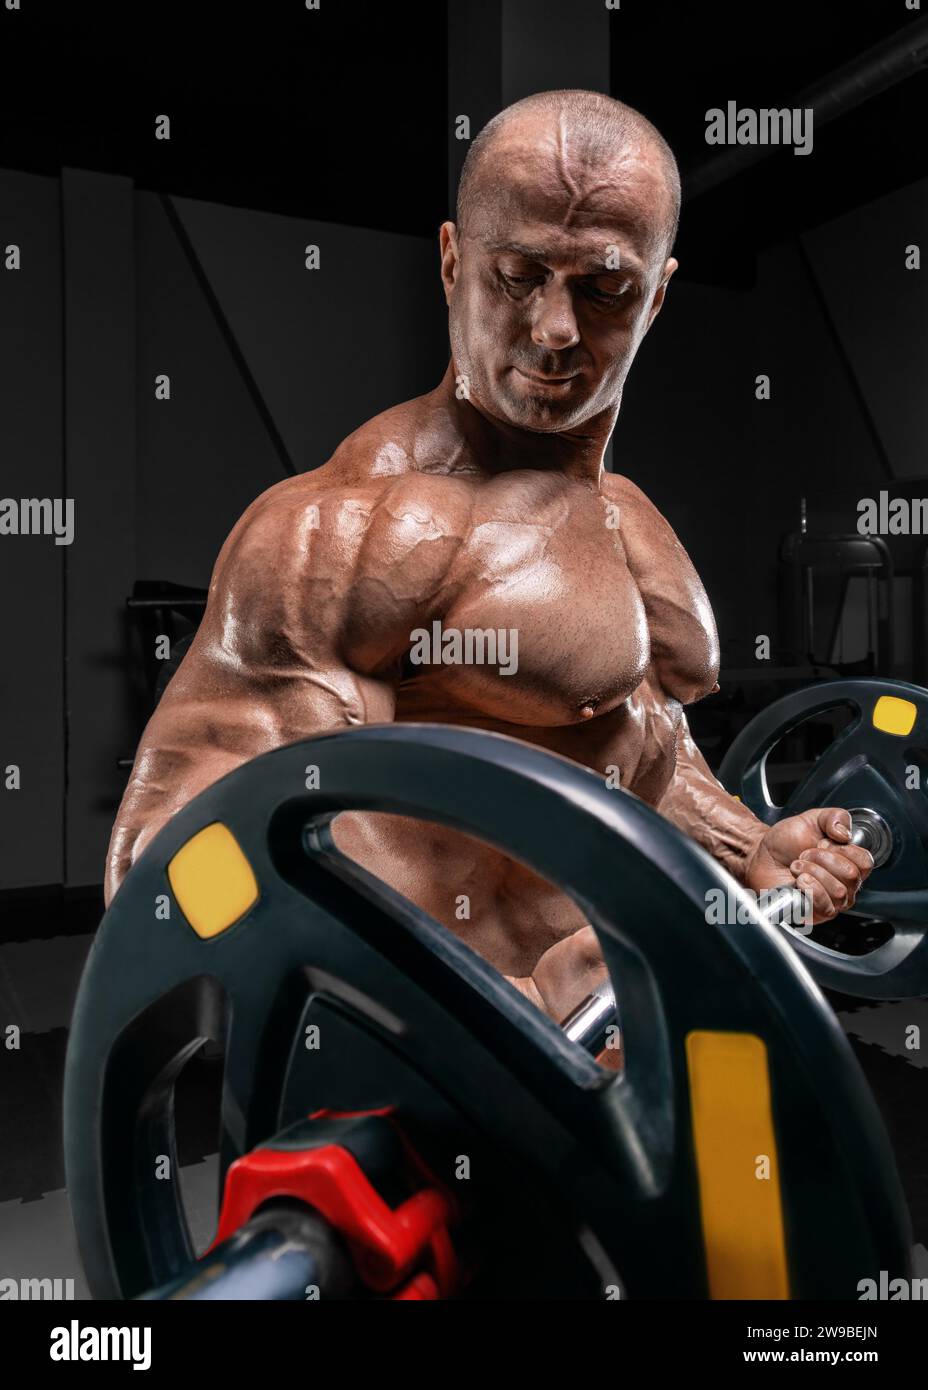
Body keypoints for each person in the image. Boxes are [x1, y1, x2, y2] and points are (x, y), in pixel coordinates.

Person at [105, 90, 872, 1027]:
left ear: (658, 293)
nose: (555, 330)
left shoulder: (619, 515)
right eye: (516, 276)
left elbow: (632, 748)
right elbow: (174, 857)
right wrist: (499, 1011)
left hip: (612, 1052)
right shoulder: (345, 531)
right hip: (423, 1075)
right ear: (451, 262)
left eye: (603, 287)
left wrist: (751, 847)